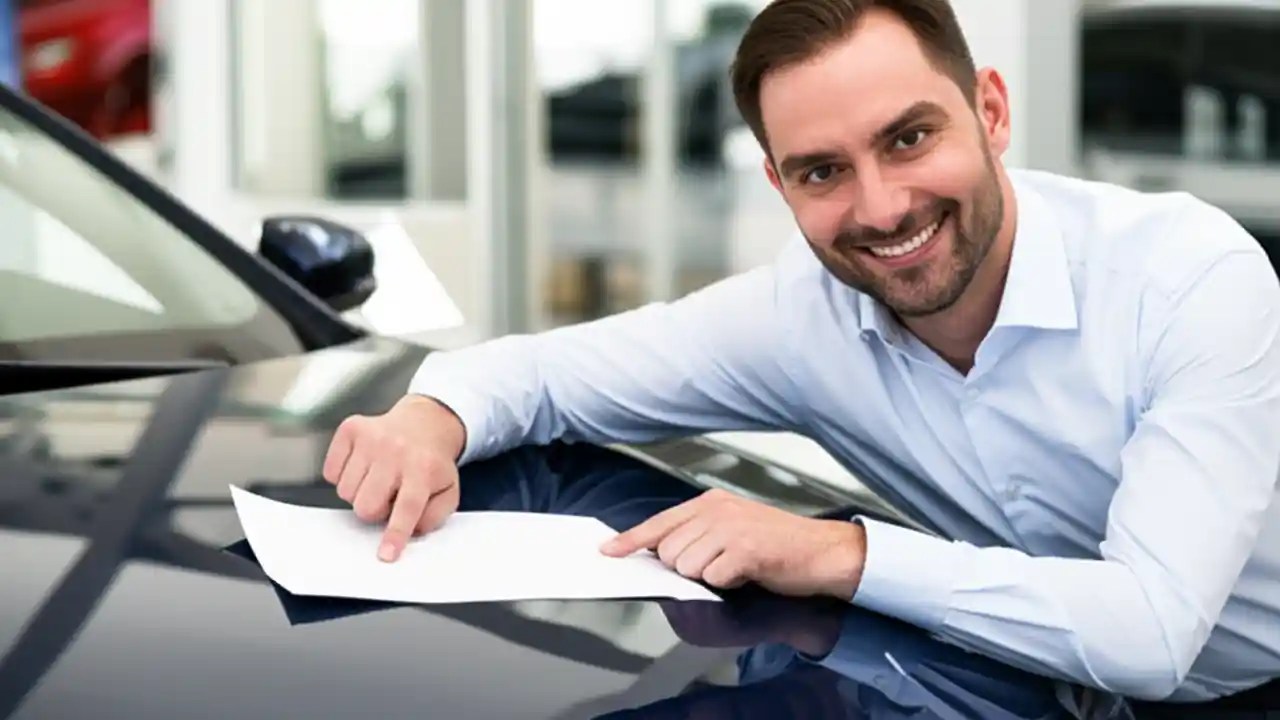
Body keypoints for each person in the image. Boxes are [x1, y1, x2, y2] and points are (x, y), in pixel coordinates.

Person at [320, 0, 1280, 703]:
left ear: (990, 111)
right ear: (780, 184)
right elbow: (540, 378)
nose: (881, 206)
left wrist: (836, 551)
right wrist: (427, 418)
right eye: (824, 170)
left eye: (909, 138)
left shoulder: (1187, 278)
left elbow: (1153, 633)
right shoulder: (799, 317)